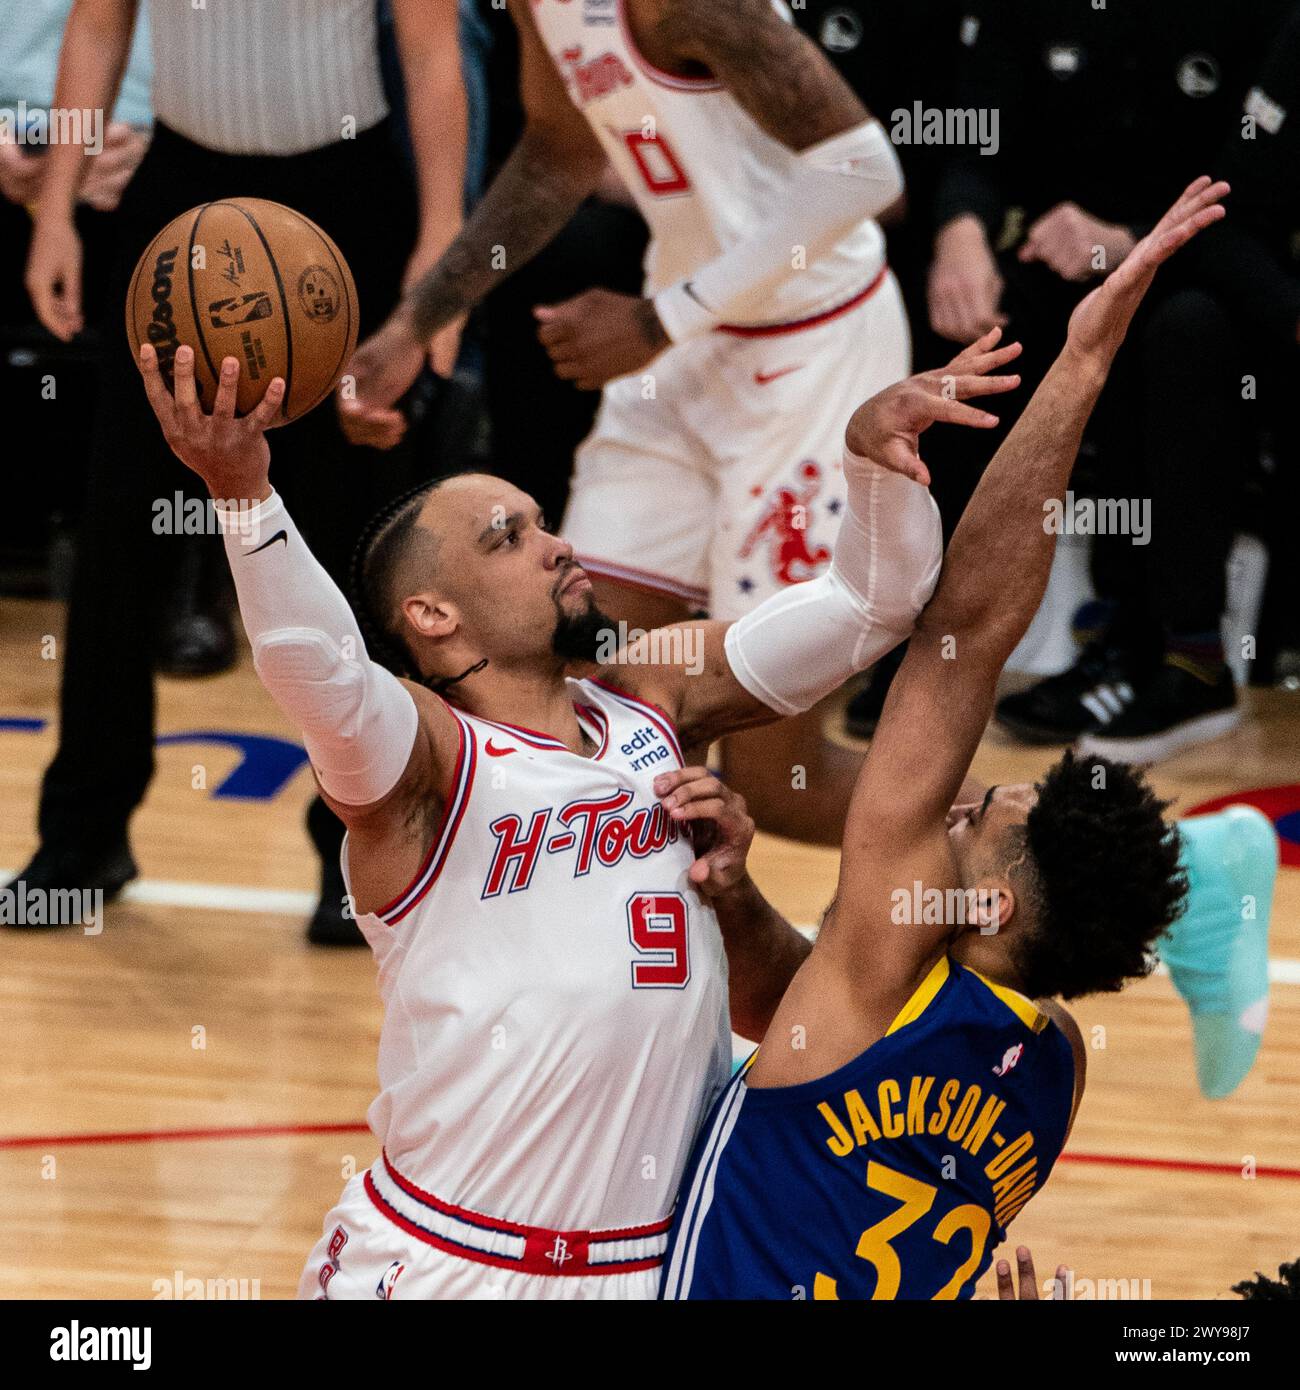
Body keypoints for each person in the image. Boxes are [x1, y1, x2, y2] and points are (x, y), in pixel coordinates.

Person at [128, 287, 1027, 1294]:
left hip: (644, 1268)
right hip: (445, 1261)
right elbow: (320, 674)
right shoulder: (426, 766)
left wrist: (869, 464)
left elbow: (869, 603)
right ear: (431, 616)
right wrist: (245, 495)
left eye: (544, 521)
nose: (557, 543)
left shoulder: (655, 699)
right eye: (507, 538)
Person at [660, 180, 1224, 1300]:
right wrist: (735, 906)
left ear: (992, 904)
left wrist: (1080, 363)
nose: (949, 806)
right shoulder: (1051, 1067)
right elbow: (799, 1019)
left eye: (974, 819)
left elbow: (966, 628)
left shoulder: (891, 959)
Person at [338, 0, 913, 846]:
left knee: (778, 780)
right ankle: (647, 953)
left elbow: (868, 174)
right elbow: (558, 152)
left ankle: (1029, 853)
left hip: (814, 358)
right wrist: (412, 325)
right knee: (591, 686)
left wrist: (655, 322)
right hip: (681, 354)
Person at [6, 0, 467, 945]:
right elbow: (98, 28)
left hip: (347, 209)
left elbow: (430, 54)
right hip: (181, 198)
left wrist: (441, 243)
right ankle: (84, 834)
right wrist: (56, 208)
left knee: (356, 545)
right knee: (121, 527)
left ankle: (359, 855)